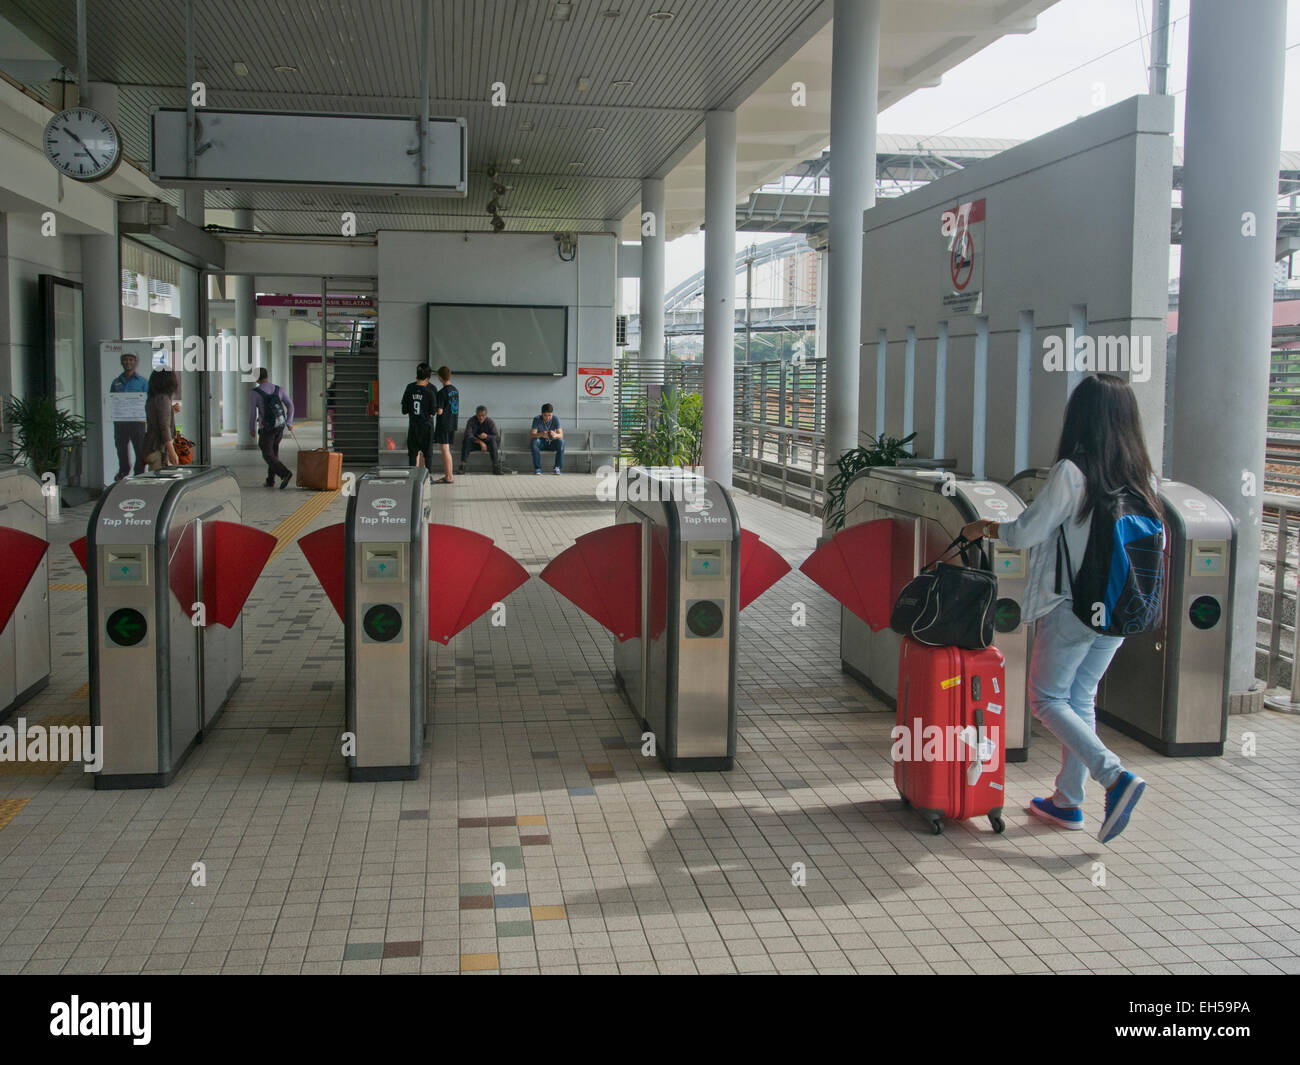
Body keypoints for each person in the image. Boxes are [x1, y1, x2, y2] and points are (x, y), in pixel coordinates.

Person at [961, 373, 1157, 844]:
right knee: (1080, 697)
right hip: (1121, 607)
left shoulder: (1074, 471)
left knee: (1046, 699)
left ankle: (1115, 777)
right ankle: (1068, 801)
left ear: (1081, 416)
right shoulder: (1142, 475)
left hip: (1073, 606)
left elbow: (1025, 532)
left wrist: (986, 529)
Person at [249, 368, 294, 489]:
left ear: (256, 378)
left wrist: (251, 428)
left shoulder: (255, 392)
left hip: (267, 428)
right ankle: (270, 480)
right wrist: (289, 422)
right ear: (267, 376)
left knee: (267, 454)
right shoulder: (278, 389)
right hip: (280, 426)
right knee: (273, 453)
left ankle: (285, 473)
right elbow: (290, 405)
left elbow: (253, 412)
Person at [108, 351, 148, 480]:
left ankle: (139, 472)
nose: (128, 362)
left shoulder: (142, 382)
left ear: (135, 362)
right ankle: (123, 470)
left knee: (140, 448)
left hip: (138, 422)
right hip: (120, 422)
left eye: (131, 360)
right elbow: (112, 400)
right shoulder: (116, 382)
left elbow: (148, 401)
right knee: (121, 447)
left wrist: (145, 417)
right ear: (121, 362)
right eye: (125, 360)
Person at [400, 362, 437, 470]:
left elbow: (404, 410)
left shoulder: (409, 388)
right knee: (428, 454)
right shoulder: (431, 390)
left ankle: (412, 478)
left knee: (412, 454)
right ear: (428, 377)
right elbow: (433, 411)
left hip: (413, 426)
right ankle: (427, 477)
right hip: (427, 427)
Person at [141, 369, 179, 472]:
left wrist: (172, 412)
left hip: (150, 447)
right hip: (158, 449)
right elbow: (164, 428)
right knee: (160, 483)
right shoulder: (163, 399)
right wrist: (172, 452)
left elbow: (157, 420)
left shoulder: (152, 399)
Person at [432, 365, 459, 484]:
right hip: (452, 422)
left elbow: (440, 411)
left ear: (439, 377)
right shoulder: (455, 390)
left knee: (445, 450)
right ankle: (449, 475)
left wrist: (433, 408)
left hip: (444, 424)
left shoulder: (442, 392)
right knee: (447, 450)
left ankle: (449, 476)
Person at [459, 405, 502, 475]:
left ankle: (496, 467)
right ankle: (462, 466)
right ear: (476, 414)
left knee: (493, 442)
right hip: (475, 444)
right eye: (479, 415)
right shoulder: (471, 421)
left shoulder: (490, 422)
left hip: (488, 445)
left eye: (483, 415)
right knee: (466, 441)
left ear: (486, 415)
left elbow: (496, 437)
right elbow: (468, 434)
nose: (481, 417)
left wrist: (487, 436)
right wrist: (480, 442)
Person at [530, 402, 564, 475]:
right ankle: (537, 468)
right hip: (541, 442)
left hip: (552, 442)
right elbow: (532, 435)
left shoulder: (555, 419)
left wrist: (555, 435)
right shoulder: (537, 419)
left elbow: (561, 435)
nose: (548, 417)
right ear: (542, 414)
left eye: (549, 415)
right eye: (545, 415)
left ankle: (557, 468)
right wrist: (542, 434)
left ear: (552, 413)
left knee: (561, 442)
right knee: (534, 442)